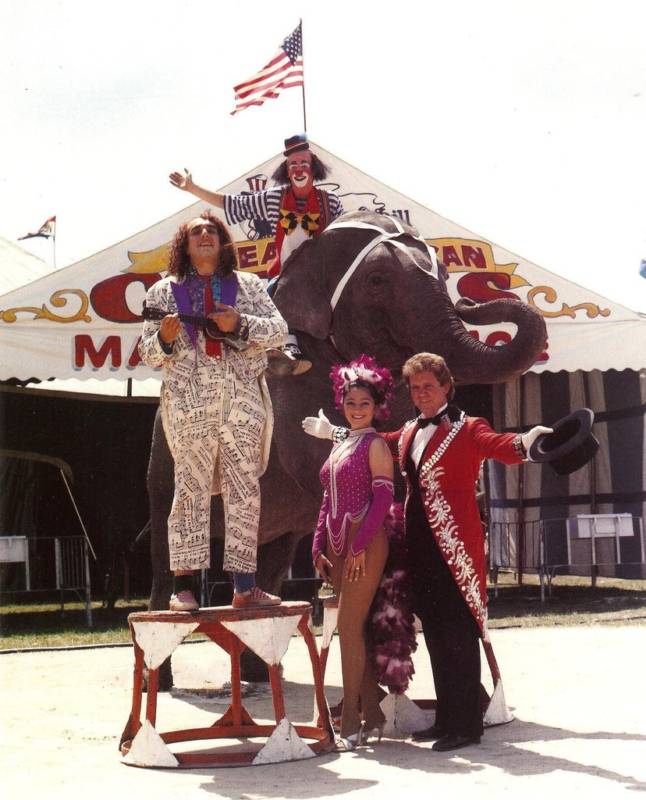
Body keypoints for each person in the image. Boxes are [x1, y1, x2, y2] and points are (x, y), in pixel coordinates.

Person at [303, 352, 551, 751]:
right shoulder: (409, 431)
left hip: (454, 544)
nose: (421, 395)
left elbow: (497, 444)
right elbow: (372, 441)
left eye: (429, 387)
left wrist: (526, 444)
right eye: (415, 388)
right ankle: (447, 719)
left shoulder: (468, 428)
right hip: (419, 543)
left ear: (446, 387)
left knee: (459, 630)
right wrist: (333, 431)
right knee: (435, 631)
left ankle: (467, 725)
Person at [139, 211, 288, 611]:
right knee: (188, 489)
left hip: (241, 403)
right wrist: (165, 338)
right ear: (184, 246)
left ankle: (244, 585)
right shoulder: (162, 293)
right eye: (195, 232)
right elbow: (148, 354)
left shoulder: (250, 286)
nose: (205, 235)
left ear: (223, 242)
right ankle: (183, 587)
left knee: (244, 490)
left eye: (211, 230)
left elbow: (278, 330)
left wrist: (239, 323)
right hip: (189, 406)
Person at [168, 133, 343, 374]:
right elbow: (234, 204)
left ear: (314, 167)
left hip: (323, 278)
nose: (299, 169)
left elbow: (342, 238)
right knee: (268, 301)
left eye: (304, 163)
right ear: (286, 170)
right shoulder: (275, 199)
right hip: (286, 273)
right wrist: (192, 188)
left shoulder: (331, 202)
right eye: (293, 164)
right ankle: (283, 348)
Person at [312, 355, 395, 750]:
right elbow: (327, 500)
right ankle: (374, 714)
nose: (358, 410)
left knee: (347, 627)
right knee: (352, 629)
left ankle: (349, 724)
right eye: (351, 404)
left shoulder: (376, 444)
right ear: (341, 406)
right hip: (337, 543)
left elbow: (383, 501)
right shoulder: (342, 444)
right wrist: (316, 548)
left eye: (364, 404)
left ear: (377, 407)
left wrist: (361, 545)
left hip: (366, 542)